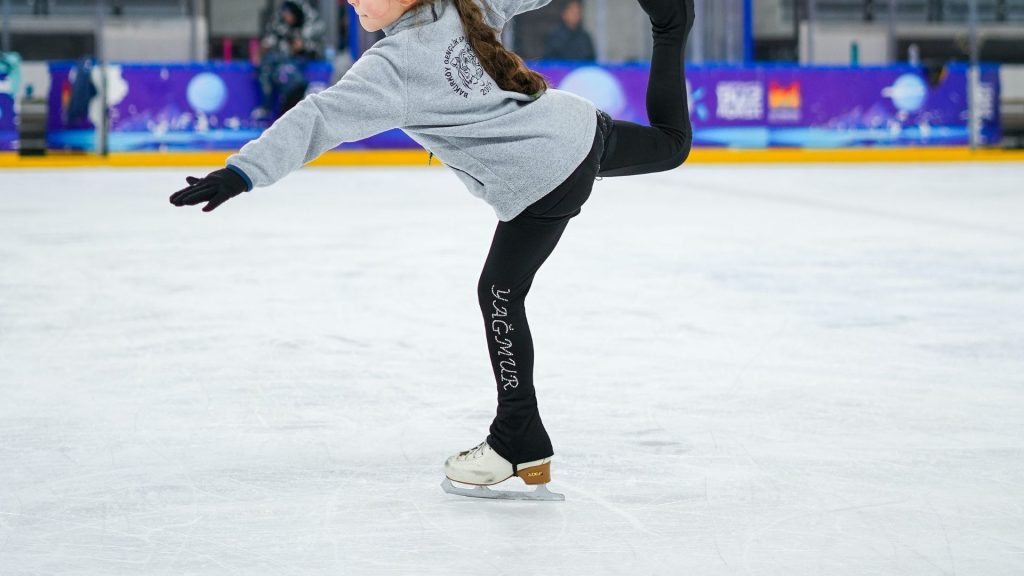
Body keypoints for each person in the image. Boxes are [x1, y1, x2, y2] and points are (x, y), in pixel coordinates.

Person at [170, 0, 694, 501]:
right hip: (578, 129)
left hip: (542, 177)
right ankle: (671, 25)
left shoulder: (392, 68)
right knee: (671, 144)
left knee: (499, 293)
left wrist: (242, 173)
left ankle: (518, 436)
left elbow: (318, 118)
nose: (352, 2)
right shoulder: (457, 9)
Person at [255, 0, 327, 119]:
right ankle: (267, 108)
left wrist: (302, 46)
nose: (286, 16)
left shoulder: (309, 21)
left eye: (289, 14)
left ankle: (291, 109)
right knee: (269, 68)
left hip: (300, 63)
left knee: (291, 77)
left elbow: (315, 46)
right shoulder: (279, 23)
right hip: (282, 62)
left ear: (295, 14)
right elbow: (269, 41)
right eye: (285, 13)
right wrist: (261, 52)